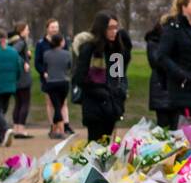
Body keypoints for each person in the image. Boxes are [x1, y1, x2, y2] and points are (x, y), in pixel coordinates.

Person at [72, 11, 129, 142]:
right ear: (101, 28)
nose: (114, 31)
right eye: (110, 28)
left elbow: (118, 76)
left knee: (108, 144)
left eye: (116, 28)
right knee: (95, 144)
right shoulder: (89, 48)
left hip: (111, 105)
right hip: (94, 105)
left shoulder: (115, 49)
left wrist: (120, 92)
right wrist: (101, 92)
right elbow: (80, 77)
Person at [35, 18, 70, 135]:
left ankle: (65, 124)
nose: (55, 29)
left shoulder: (63, 41)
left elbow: (66, 60)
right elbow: (38, 62)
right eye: (52, 27)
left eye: (56, 27)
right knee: (50, 102)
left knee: (63, 102)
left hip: (61, 76)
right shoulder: (41, 44)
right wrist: (43, 72)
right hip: (48, 78)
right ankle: (53, 125)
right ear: (47, 29)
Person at [144, 15, 176, 128]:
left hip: (174, 89)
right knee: (164, 125)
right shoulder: (154, 42)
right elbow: (156, 62)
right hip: (161, 87)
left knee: (176, 126)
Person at [41, 33, 72, 139]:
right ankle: (61, 131)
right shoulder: (67, 54)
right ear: (60, 42)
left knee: (57, 106)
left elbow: (45, 67)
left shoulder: (46, 54)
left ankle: (55, 130)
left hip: (51, 83)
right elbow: (69, 67)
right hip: (63, 82)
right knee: (60, 105)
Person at [7, 22, 35, 139]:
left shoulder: (13, 41)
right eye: (27, 29)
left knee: (18, 103)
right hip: (23, 77)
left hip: (15, 77)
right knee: (24, 103)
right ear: (22, 31)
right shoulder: (21, 42)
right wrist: (24, 62)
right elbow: (13, 53)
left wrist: (27, 56)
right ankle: (21, 130)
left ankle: (16, 129)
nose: (28, 32)